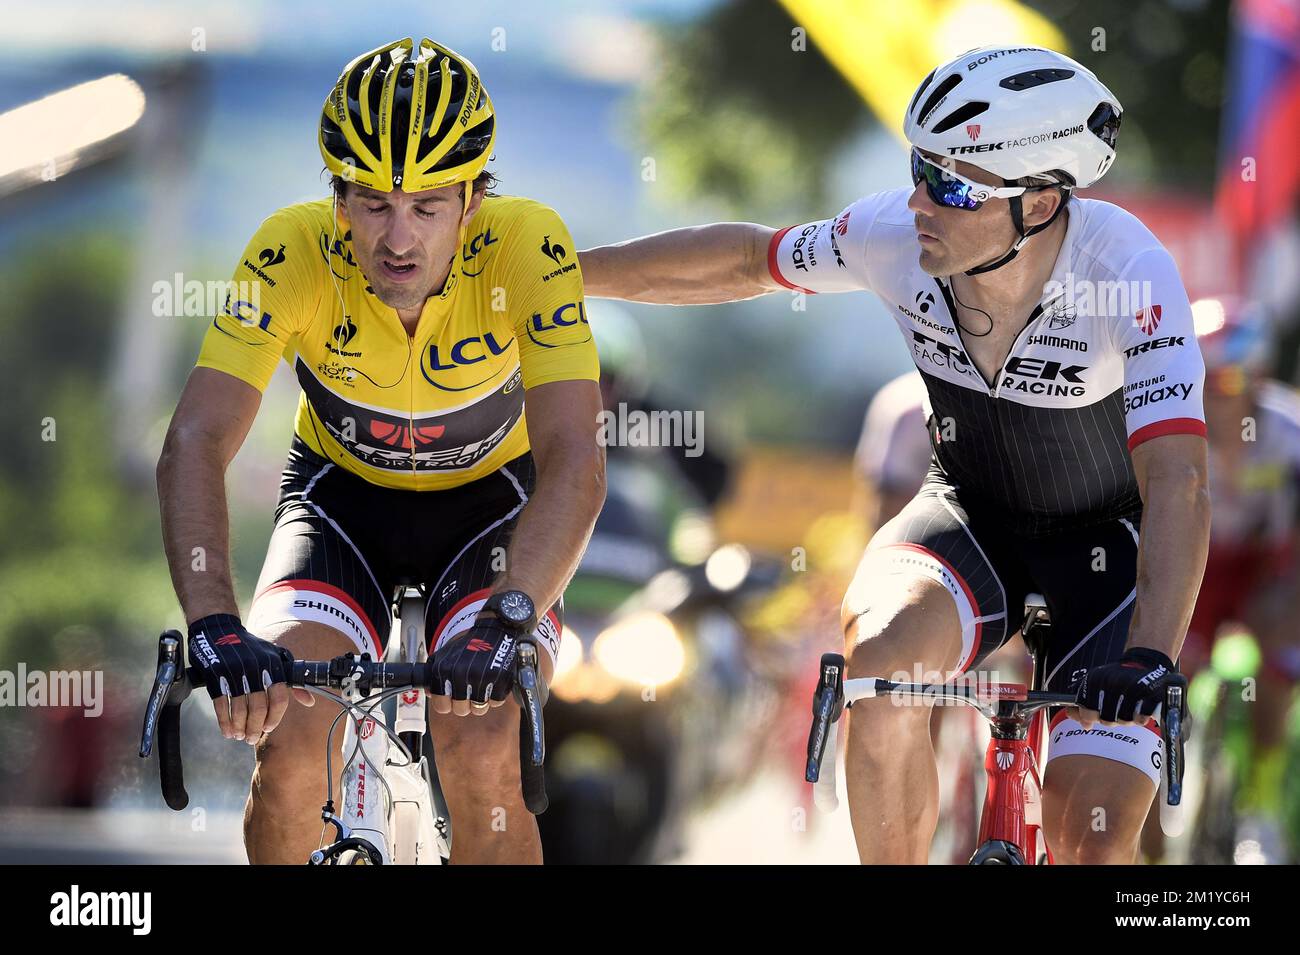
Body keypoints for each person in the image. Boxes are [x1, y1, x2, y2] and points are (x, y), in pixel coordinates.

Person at [580, 45, 1209, 864]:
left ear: (1042, 201)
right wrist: (563, 274)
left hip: (1106, 555)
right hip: (967, 520)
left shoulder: (1130, 275)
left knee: (1087, 830)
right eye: (919, 166)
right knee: (877, 676)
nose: (918, 200)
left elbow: (1180, 482)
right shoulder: (894, 237)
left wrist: (1153, 655)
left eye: (949, 184)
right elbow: (744, 259)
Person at [156, 38, 605, 864]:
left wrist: (512, 616)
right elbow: (196, 438)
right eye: (371, 203)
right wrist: (213, 621)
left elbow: (576, 457)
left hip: (489, 507)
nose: (398, 239)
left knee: (481, 749)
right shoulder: (288, 251)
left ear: (473, 201)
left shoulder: (528, 246)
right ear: (337, 201)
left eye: (427, 206)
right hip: (341, 500)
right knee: (289, 742)